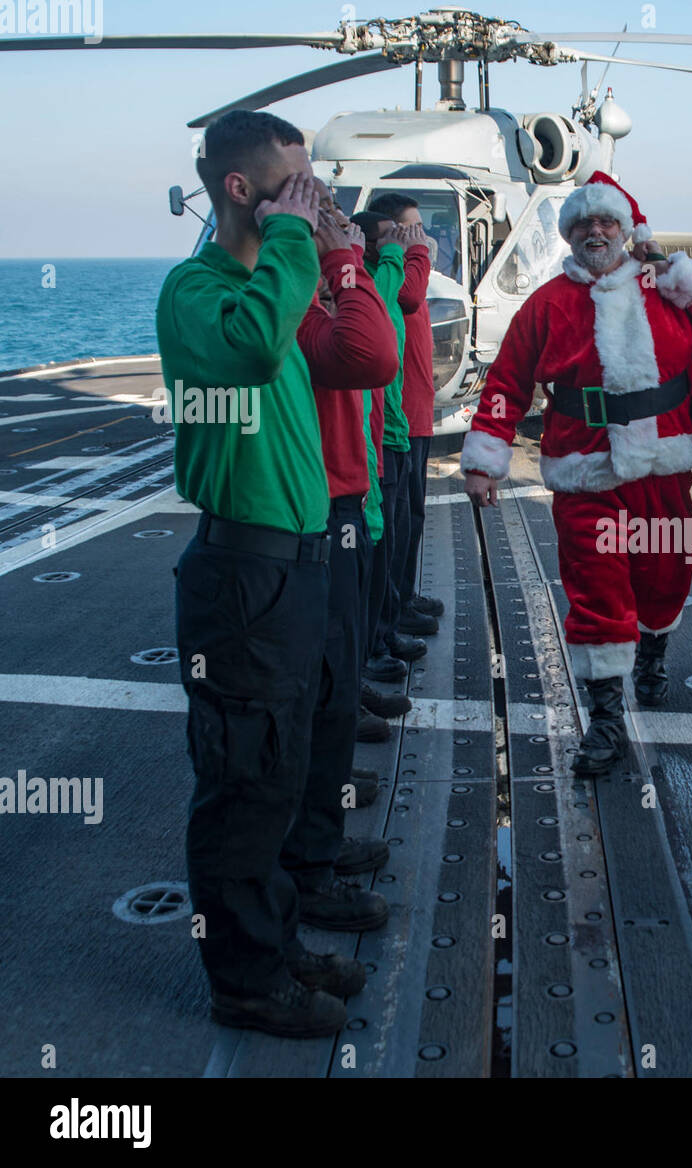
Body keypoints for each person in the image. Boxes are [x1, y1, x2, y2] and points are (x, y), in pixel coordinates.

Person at [157, 109, 361, 1038]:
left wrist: (336, 258)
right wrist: (292, 237)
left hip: (295, 569)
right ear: (241, 192)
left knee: (280, 772)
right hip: (242, 573)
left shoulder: (276, 287)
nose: (309, 199)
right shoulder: (197, 293)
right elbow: (249, 347)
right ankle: (243, 979)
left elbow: (358, 357)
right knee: (243, 780)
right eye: (293, 183)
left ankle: (272, 942)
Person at [458, 171, 692, 774]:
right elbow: (508, 382)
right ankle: (606, 721)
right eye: (584, 223)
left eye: (607, 221)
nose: (596, 230)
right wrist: (487, 459)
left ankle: (654, 650)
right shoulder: (546, 304)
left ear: (627, 229)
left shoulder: (665, 284)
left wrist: (674, 267)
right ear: (569, 235)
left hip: (664, 468)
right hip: (584, 470)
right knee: (595, 590)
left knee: (665, 577)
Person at [291, 185, 399, 929]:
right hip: (317, 510)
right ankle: (307, 867)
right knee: (321, 693)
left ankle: (318, 847)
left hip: (346, 498)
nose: (331, 210)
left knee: (337, 686)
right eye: (314, 198)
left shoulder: (316, 290)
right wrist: (343, 256)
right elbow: (370, 354)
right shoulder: (292, 298)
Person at [352, 211, 432, 684]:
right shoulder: (377, 287)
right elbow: (402, 297)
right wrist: (410, 249)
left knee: (395, 539)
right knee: (377, 551)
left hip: (394, 431)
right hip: (380, 440)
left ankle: (384, 631)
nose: (401, 242)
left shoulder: (382, 279)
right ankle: (372, 647)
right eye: (392, 236)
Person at [368, 193, 447, 634]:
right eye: (414, 229)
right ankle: (392, 608)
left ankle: (403, 593)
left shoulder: (406, 268)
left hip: (417, 413)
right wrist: (411, 248)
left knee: (412, 516)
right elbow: (412, 297)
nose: (425, 240)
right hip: (401, 418)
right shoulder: (396, 275)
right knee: (398, 522)